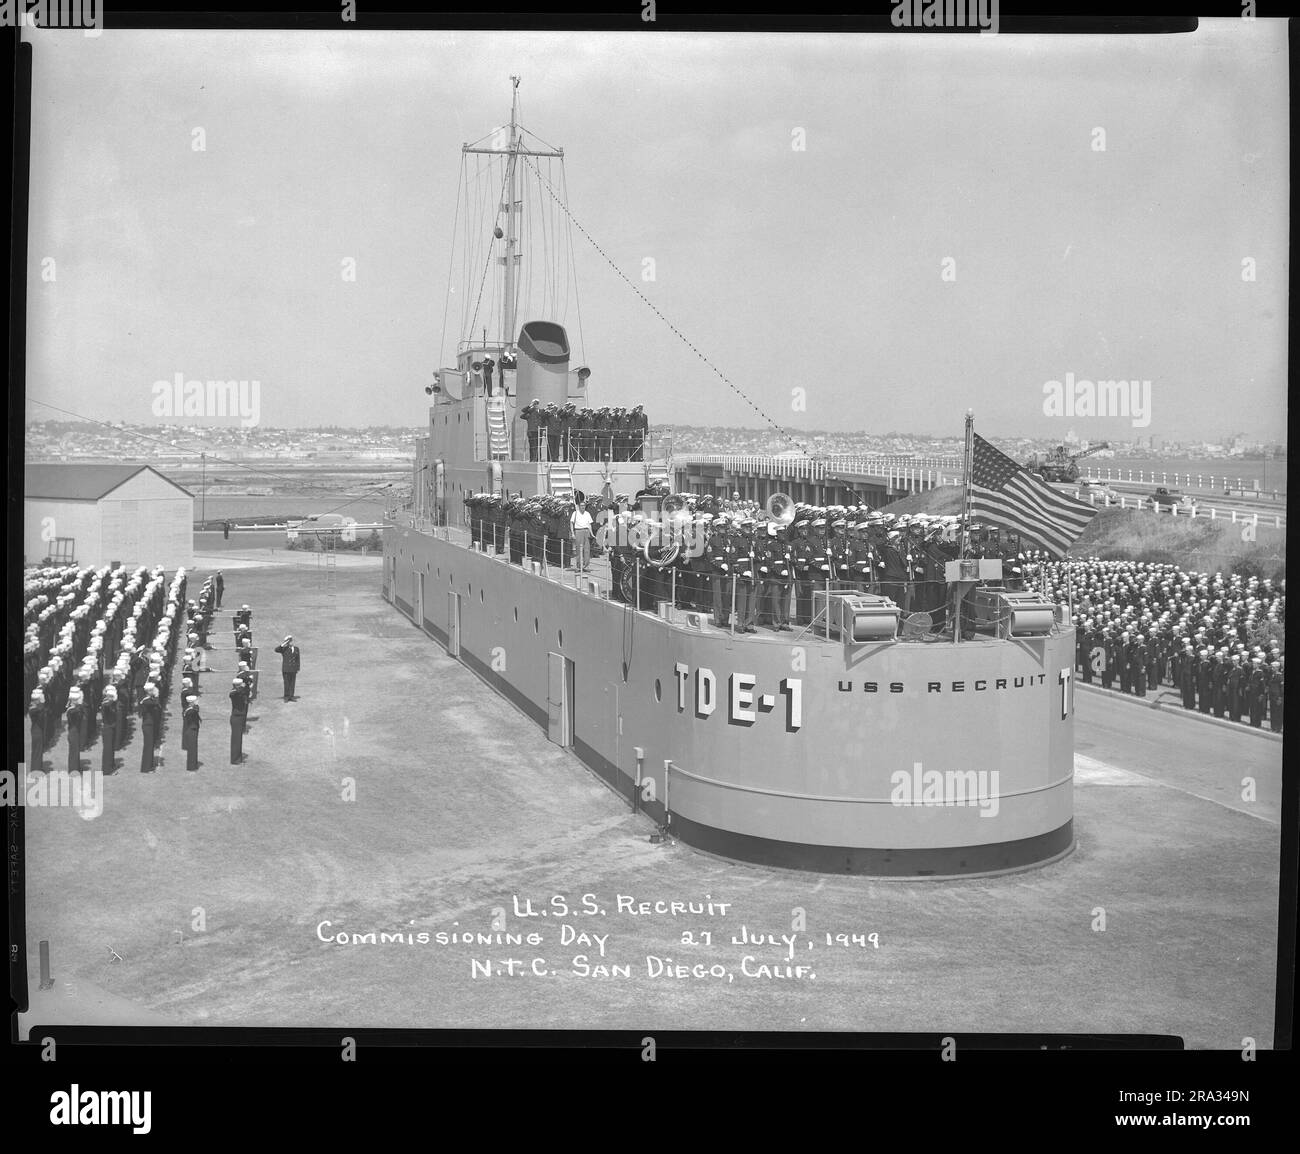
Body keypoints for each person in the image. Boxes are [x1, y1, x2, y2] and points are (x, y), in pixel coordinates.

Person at [139, 686, 161, 773]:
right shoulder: (147, 701)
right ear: (148, 691)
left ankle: (149, 765)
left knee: (150, 745)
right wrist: (156, 695)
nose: (153, 691)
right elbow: (156, 703)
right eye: (152, 690)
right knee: (148, 746)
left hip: (149, 724)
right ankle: (146, 768)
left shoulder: (148, 699)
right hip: (148, 725)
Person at [275, 635, 302, 701]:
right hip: (286, 669)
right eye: (288, 641)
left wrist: (297, 668)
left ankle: (291, 696)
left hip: (293, 669)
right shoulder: (284, 649)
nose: (290, 642)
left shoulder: (296, 648)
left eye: (290, 641)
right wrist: (283, 645)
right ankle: (286, 697)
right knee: (286, 683)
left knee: (292, 683)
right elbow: (276, 650)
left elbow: (297, 659)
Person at [570, 498, 594, 572]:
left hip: (586, 531)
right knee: (578, 549)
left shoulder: (587, 513)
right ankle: (578, 566)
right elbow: (571, 523)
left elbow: (589, 525)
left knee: (587, 549)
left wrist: (592, 534)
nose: (583, 507)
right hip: (578, 531)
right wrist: (572, 533)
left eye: (584, 506)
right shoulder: (575, 513)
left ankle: (585, 566)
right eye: (581, 506)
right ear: (579, 506)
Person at [229, 677, 249, 763]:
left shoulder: (241, 691)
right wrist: (240, 688)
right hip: (236, 717)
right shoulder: (233, 692)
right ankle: (234, 759)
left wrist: (246, 683)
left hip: (240, 717)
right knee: (236, 740)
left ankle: (238, 757)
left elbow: (246, 692)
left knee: (239, 740)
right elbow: (235, 693)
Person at [100, 686, 119, 775]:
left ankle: (110, 765)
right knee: (108, 749)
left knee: (111, 748)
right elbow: (107, 705)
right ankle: (106, 770)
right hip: (107, 728)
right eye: (110, 696)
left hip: (111, 727)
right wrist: (111, 700)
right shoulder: (106, 703)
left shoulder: (112, 703)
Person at [182, 695, 201, 772]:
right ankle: (191, 766)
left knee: (194, 748)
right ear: (191, 703)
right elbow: (196, 709)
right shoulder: (189, 711)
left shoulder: (189, 709)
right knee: (192, 749)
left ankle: (194, 764)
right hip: (191, 730)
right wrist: (195, 704)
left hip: (192, 730)